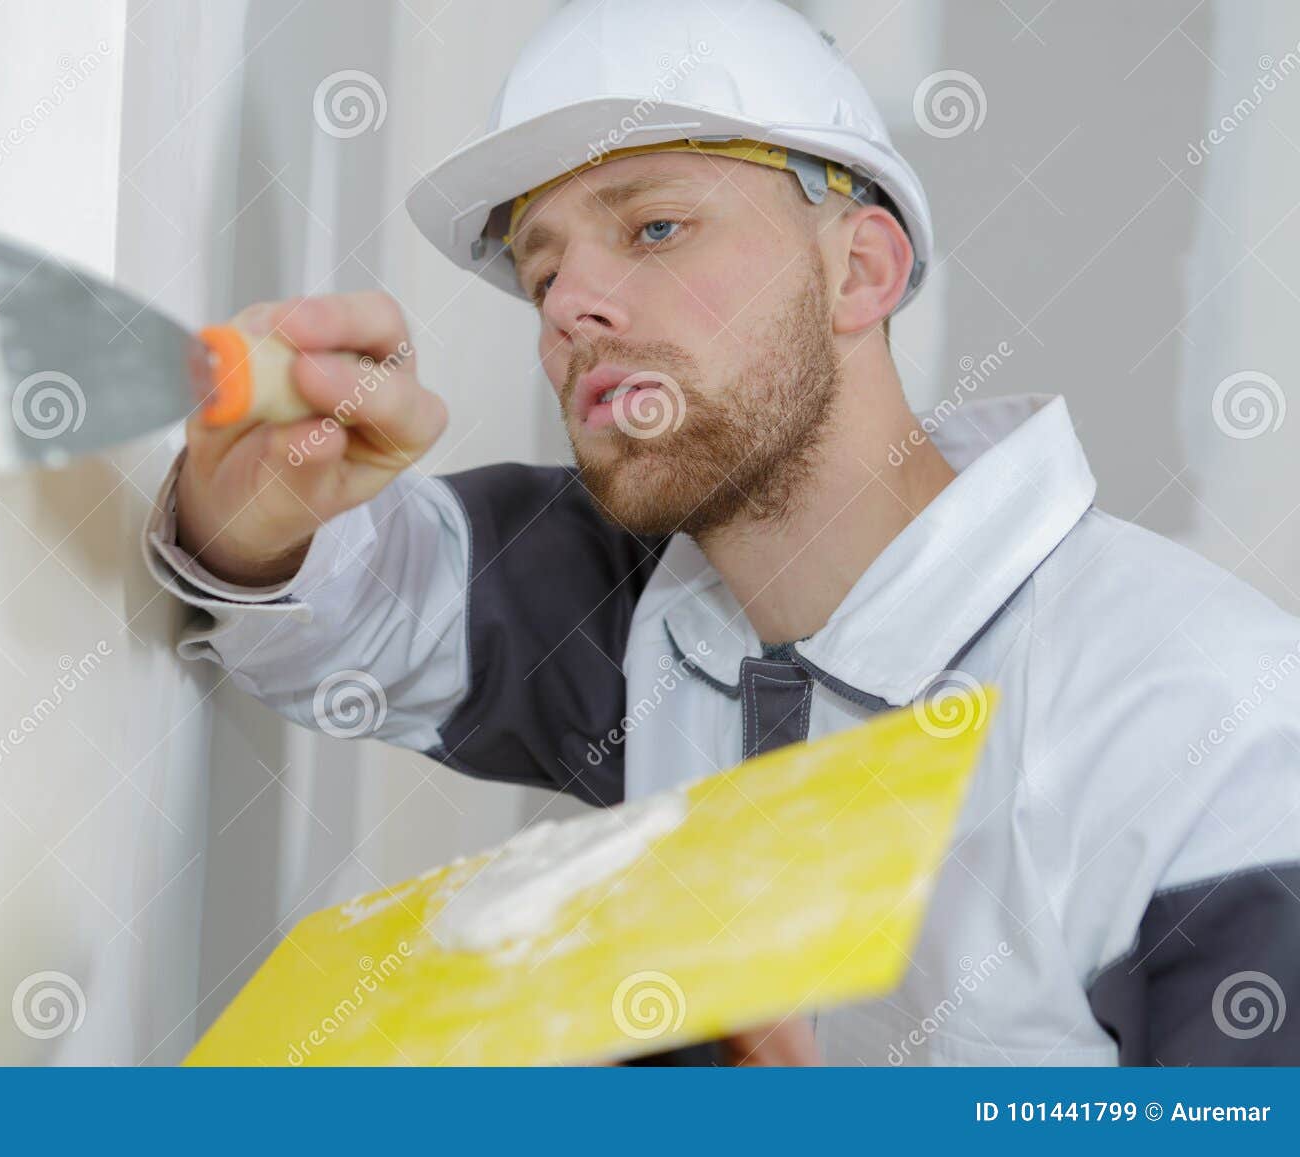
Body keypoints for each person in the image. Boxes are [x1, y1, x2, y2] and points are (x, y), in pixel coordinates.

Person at [142, 0, 1300, 1065]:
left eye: (651, 227)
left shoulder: (1208, 719)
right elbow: (360, 606)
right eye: (542, 272)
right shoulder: (644, 609)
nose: (569, 309)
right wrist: (249, 512)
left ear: (860, 270)